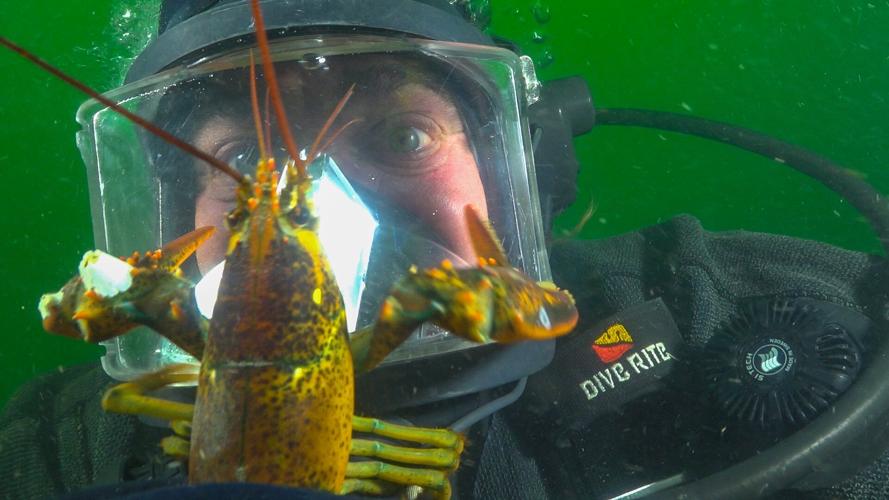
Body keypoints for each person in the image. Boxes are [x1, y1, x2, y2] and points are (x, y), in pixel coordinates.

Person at [3, 1, 889, 498]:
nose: (331, 203)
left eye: (402, 136)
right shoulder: (52, 453)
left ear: (518, 168)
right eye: (242, 158)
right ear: (171, 216)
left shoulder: (724, 310)